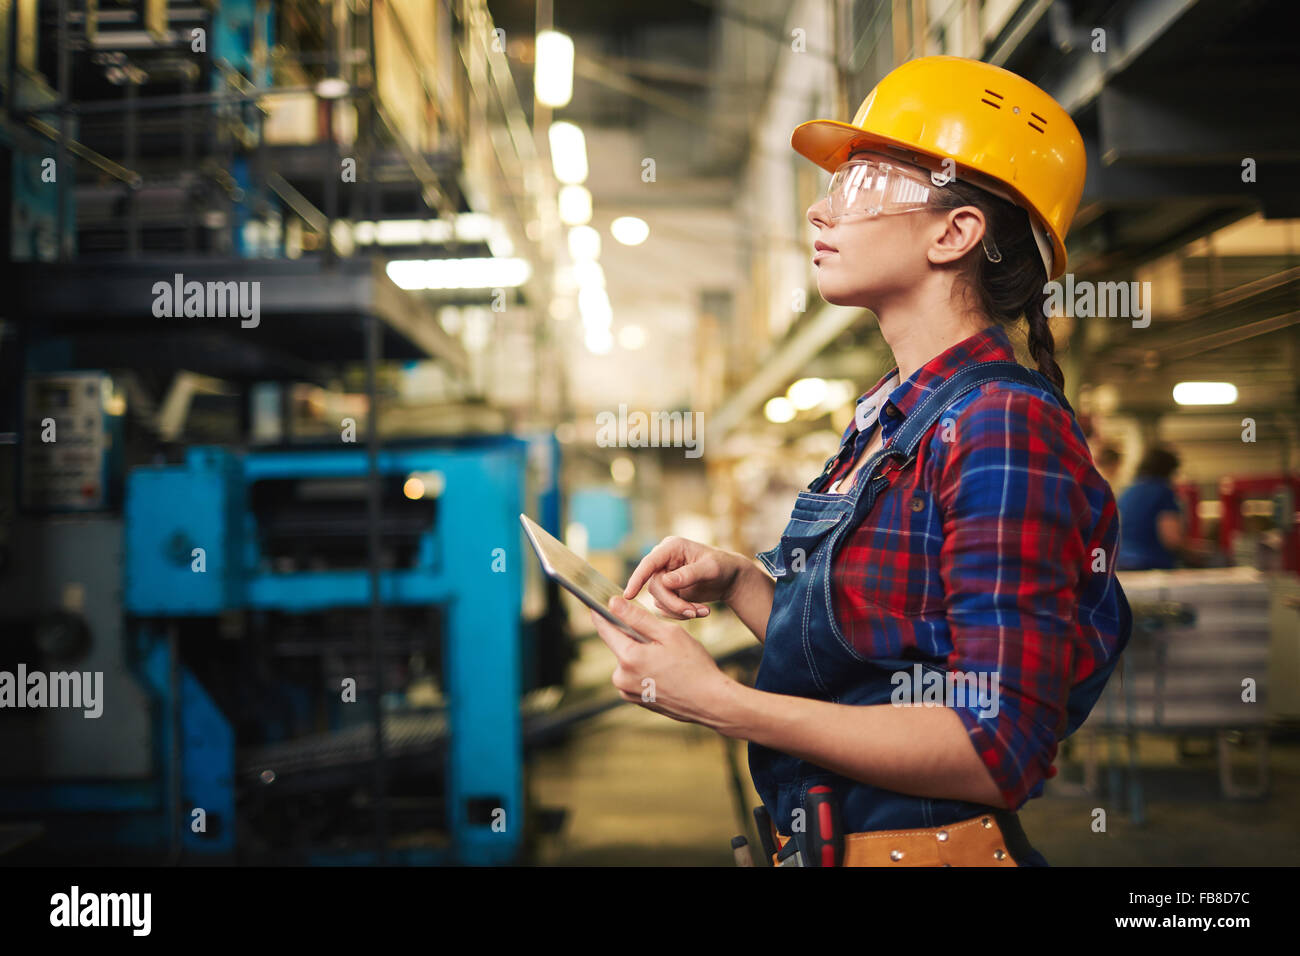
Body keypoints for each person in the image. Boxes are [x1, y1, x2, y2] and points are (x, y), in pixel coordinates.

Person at [587, 55, 1131, 867]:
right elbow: (874, 660)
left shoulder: (1000, 424)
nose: (819, 210)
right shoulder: (891, 415)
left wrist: (726, 703)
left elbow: (998, 747)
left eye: (865, 186)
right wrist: (741, 580)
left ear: (955, 233)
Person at [1117, 446, 1184, 570]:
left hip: (1122, 564)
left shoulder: (1127, 491)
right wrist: (1193, 552)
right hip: (1151, 565)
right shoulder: (1163, 491)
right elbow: (1171, 538)